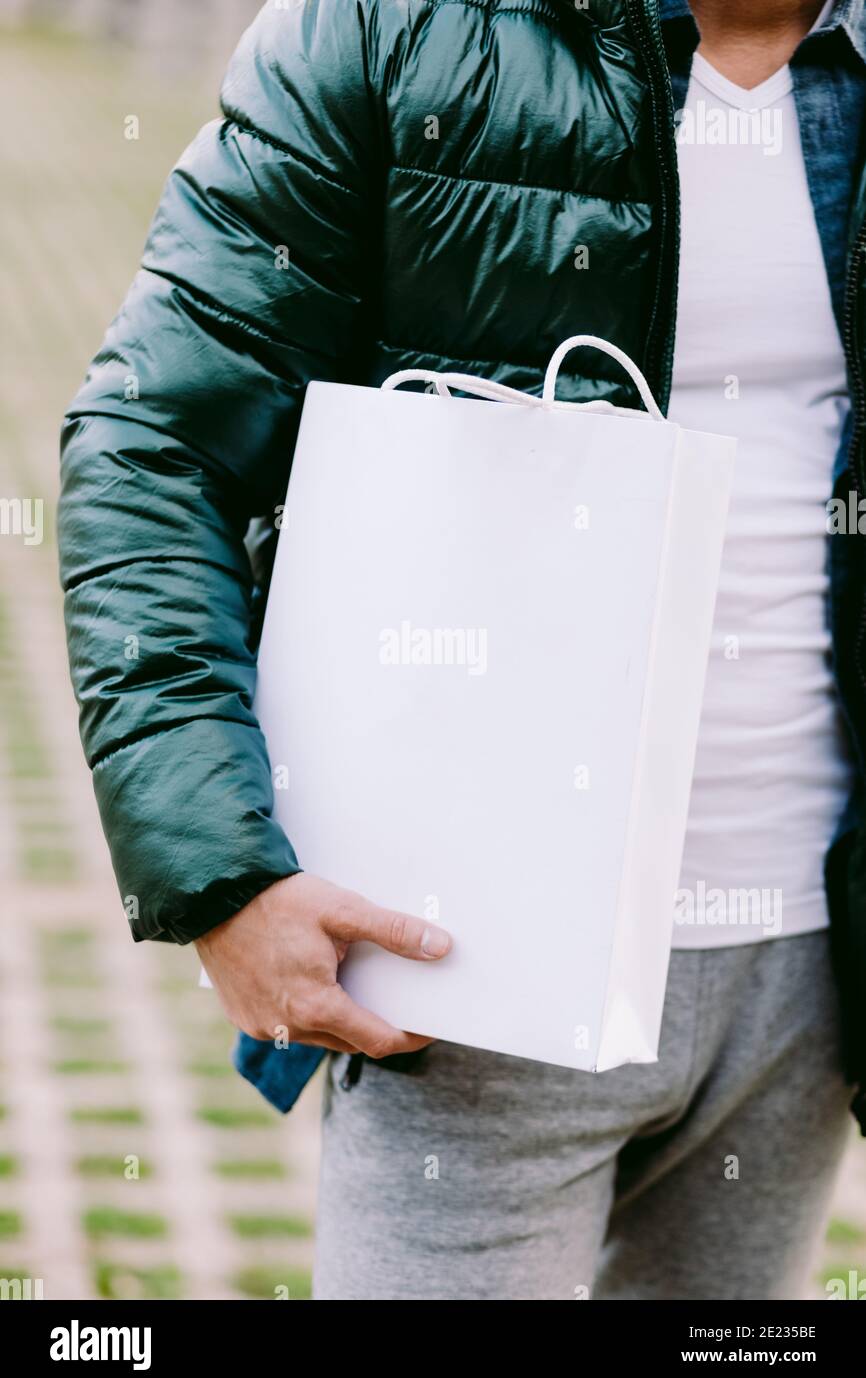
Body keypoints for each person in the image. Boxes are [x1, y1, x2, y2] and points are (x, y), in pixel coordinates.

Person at [59, 0, 866, 1299]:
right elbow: (152, 443)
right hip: (463, 968)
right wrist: (219, 878)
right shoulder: (385, 27)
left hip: (810, 971)